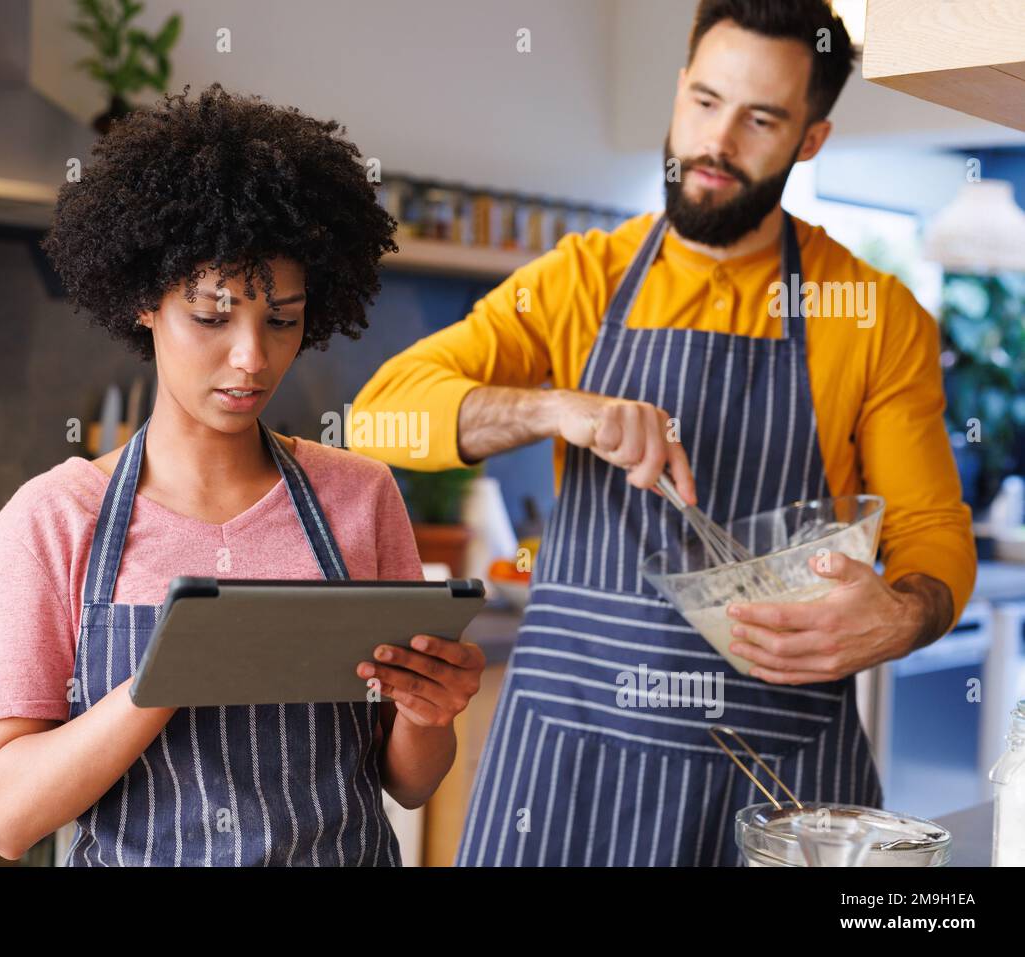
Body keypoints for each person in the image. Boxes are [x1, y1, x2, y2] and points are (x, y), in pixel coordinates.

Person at [351, 0, 975, 866]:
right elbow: (381, 410)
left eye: (761, 119)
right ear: (679, 88)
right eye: (705, 101)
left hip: (775, 781)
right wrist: (556, 406)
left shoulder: (874, 315)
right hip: (563, 771)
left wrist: (900, 618)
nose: (716, 142)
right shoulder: (581, 279)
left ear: (812, 140)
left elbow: (932, 536)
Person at [0, 84, 485, 866]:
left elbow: (405, 783)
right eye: (212, 316)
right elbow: (5, 818)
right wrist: (168, 675)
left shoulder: (359, 495)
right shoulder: (53, 517)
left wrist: (429, 713)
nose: (252, 356)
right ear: (145, 300)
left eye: (282, 319)